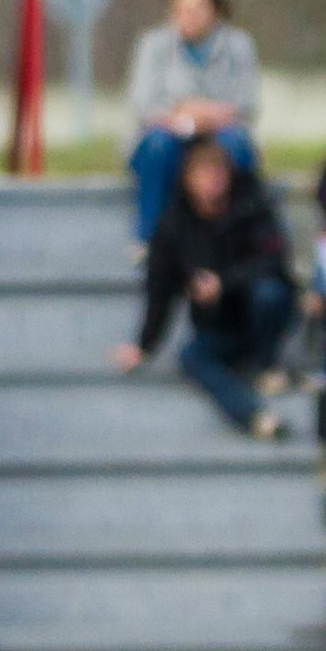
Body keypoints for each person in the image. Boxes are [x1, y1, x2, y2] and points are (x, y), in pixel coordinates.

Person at [122, 135, 292, 441]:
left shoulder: (251, 208)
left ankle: (268, 364)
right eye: (203, 174)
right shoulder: (174, 224)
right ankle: (253, 414)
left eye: (218, 173)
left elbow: (274, 260)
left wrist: (223, 284)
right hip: (218, 325)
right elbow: (160, 286)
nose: (212, 182)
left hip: (260, 314)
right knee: (191, 357)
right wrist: (145, 345)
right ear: (187, 180)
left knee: (270, 294)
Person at [124, 0, 259, 242]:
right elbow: (143, 104)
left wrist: (197, 112)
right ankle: (151, 241)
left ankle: (237, 238)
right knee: (158, 146)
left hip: (219, 132)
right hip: (167, 131)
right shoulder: (153, 46)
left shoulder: (239, 46)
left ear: (216, 11)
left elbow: (247, 103)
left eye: (198, 8)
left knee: (237, 146)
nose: (189, 16)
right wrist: (182, 116)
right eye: (181, 9)